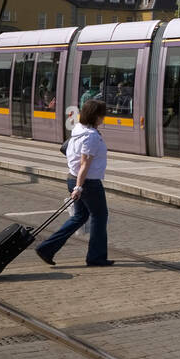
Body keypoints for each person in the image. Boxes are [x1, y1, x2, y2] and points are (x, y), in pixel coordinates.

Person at [35, 99, 114, 268]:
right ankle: (96, 257)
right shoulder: (91, 136)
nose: (104, 119)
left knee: (80, 216)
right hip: (88, 183)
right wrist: (79, 187)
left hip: (72, 178)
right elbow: (85, 163)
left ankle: (47, 248)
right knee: (99, 217)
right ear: (96, 116)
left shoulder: (78, 129)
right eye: (102, 115)